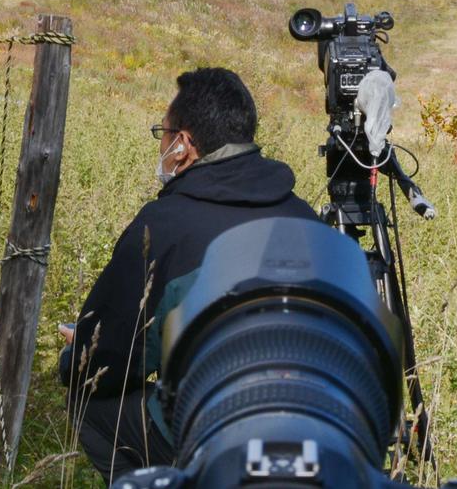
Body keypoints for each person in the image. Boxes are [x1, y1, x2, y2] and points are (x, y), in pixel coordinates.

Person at [61, 66, 319, 476]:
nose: (160, 143)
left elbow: (113, 360)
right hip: (317, 431)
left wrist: (79, 352)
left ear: (182, 145)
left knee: (88, 401)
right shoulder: (303, 214)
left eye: (160, 133)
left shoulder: (165, 225)